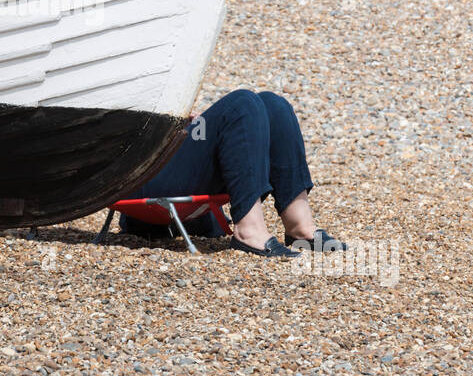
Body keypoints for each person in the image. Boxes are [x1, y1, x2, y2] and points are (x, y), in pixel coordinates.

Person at [122, 89, 346, 258]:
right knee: (241, 104)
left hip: (164, 151)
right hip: (137, 173)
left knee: (274, 105)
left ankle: (300, 226)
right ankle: (249, 231)